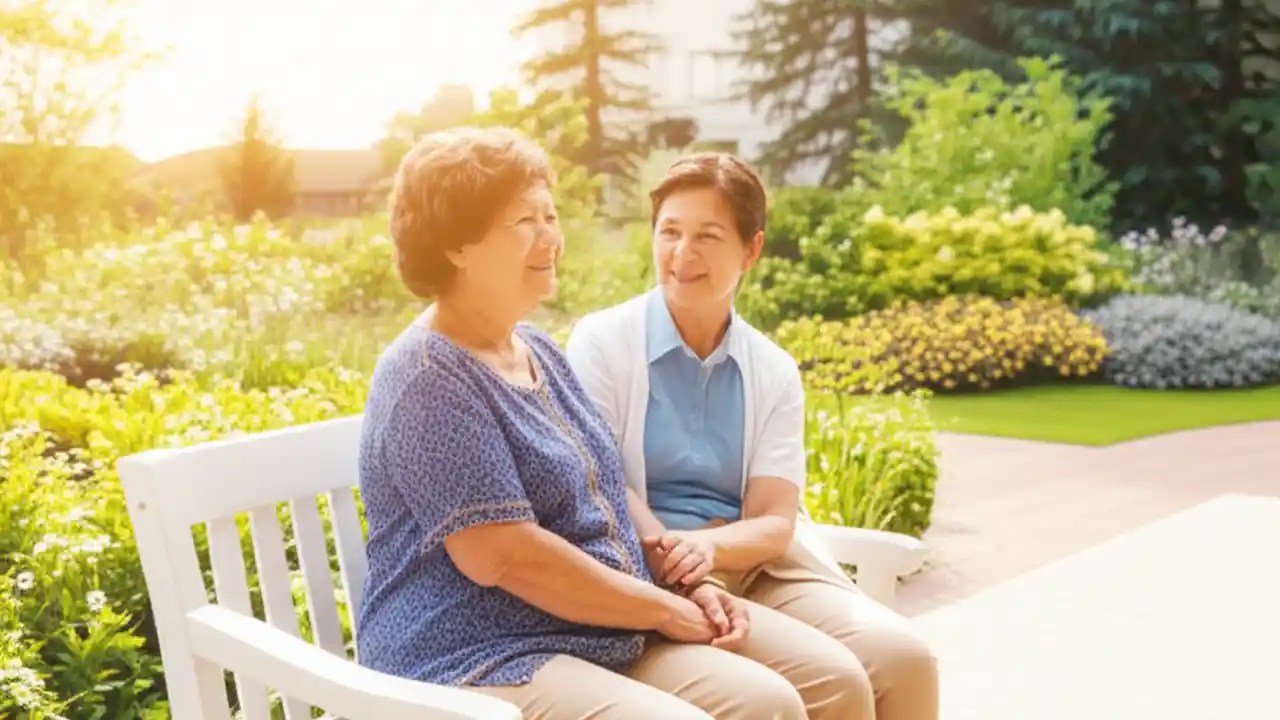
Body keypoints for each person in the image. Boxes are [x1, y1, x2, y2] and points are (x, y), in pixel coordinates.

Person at [355, 126, 871, 720]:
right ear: (456, 245)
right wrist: (661, 609)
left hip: (584, 626)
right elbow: (506, 557)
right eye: (525, 221)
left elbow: (605, 496)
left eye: (551, 216)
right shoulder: (428, 378)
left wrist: (690, 586)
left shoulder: (536, 350)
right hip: (473, 654)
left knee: (771, 702)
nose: (550, 237)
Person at [565, 152, 940, 720]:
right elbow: (600, 487)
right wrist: (684, 561)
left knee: (907, 659)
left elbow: (773, 520)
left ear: (752, 250)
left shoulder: (771, 368)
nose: (681, 254)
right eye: (669, 232)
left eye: (707, 236)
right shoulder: (602, 343)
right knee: (838, 681)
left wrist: (711, 547)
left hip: (757, 568)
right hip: (650, 570)